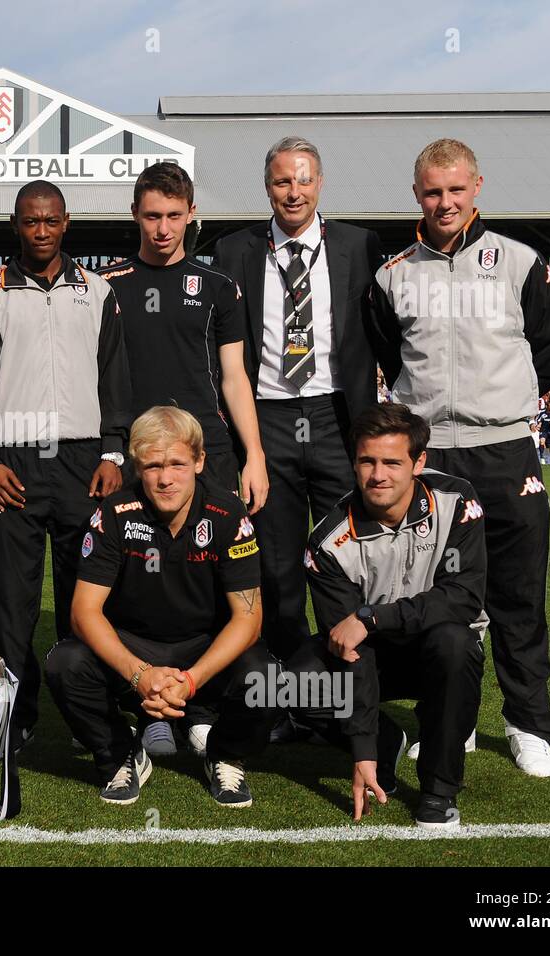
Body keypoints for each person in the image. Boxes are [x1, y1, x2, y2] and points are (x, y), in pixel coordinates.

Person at [372, 138, 550, 777]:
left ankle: (527, 723)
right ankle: (446, 723)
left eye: (456, 190)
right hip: (430, 462)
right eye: (433, 191)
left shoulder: (518, 262)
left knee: (517, 592)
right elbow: (387, 357)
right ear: (417, 194)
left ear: (477, 187)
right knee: (440, 598)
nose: (445, 202)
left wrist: (497, 404)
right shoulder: (392, 274)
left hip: (504, 450)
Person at [98, 162, 268, 757]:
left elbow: (235, 377)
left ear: (191, 215)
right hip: (137, 459)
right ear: (135, 216)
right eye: (151, 215)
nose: (163, 227)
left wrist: (255, 454)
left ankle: (200, 706)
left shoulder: (219, 286)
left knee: (209, 585)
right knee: (136, 585)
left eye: (174, 215)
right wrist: (113, 450)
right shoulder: (109, 286)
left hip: (208, 454)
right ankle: (148, 708)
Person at [0, 180, 130, 757]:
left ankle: (84, 710)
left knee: (83, 594)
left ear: (66, 225)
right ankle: (18, 713)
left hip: (85, 463)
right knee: (11, 601)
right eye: (31, 221)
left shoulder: (102, 293)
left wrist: (113, 453)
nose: (41, 231)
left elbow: (117, 381)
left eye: (51, 221)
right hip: (13, 461)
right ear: (16, 224)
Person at [213, 137, 385, 677]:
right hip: (269, 420)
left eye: (304, 179)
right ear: (267, 188)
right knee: (278, 567)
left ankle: (349, 684)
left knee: (344, 556)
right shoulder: (233, 251)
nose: (294, 191)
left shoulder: (360, 246)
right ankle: (288, 687)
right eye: (283, 181)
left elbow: (384, 334)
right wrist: (251, 449)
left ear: (321, 183)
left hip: (338, 418)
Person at [46, 406, 275, 807]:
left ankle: (224, 753)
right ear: (136, 465)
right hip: (134, 647)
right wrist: (140, 675)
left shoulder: (228, 513)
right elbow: (84, 612)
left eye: (176, 464)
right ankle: (120, 754)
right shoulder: (114, 513)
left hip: (203, 646)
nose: (165, 478)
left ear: (200, 460)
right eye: (152, 466)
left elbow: (248, 619)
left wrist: (189, 681)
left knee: (267, 677)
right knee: (64, 663)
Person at [287, 402, 487, 829]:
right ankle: (387, 737)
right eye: (367, 461)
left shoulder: (456, 502)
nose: (378, 474)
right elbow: (348, 648)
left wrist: (373, 617)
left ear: (419, 463)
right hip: (371, 655)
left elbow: (463, 599)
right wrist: (364, 748)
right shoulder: (326, 543)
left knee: (456, 643)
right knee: (293, 682)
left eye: (392, 462)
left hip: (436, 646)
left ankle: (438, 791)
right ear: (354, 462)